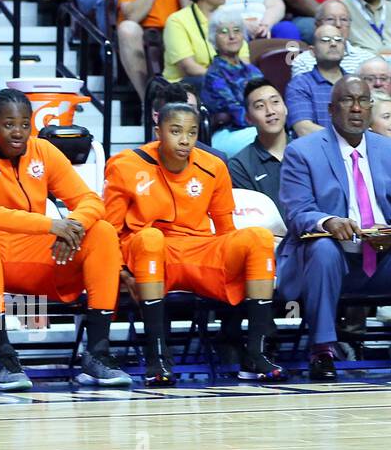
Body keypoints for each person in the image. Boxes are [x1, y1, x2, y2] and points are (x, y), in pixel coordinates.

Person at [0, 90, 130, 391]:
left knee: (102, 232)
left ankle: (97, 352)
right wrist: (49, 225)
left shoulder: (42, 150)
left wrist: (73, 225)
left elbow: (90, 201)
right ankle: (4, 356)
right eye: (8, 125)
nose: (18, 132)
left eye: (24, 124)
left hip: (27, 252)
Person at [278, 76, 391, 379]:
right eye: (347, 100)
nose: (356, 108)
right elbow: (297, 213)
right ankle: (322, 351)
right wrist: (329, 222)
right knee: (323, 249)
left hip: (383, 259)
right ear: (331, 109)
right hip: (332, 261)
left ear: (371, 108)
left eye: (363, 101)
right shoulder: (302, 151)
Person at [105, 102, 283, 386]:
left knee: (259, 238)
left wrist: (241, 263)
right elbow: (110, 230)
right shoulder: (126, 164)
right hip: (150, 252)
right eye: (175, 131)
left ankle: (256, 353)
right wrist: (121, 272)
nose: (184, 140)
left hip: (199, 249)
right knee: (151, 238)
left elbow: (225, 229)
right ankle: (157, 358)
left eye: (192, 132)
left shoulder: (213, 166)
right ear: (158, 132)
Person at [200, 7, 265, 155]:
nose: (232, 36)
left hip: (256, 127)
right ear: (213, 39)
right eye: (224, 32)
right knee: (268, 138)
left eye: (237, 30)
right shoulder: (214, 75)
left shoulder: (254, 72)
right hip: (226, 133)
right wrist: (266, 121)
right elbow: (235, 111)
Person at [228, 79, 292, 202]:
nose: (270, 111)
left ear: (285, 108)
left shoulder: (306, 152)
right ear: (248, 118)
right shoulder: (240, 165)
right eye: (260, 106)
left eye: (275, 102)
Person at [286, 23, 351, 135]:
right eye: (325, 40)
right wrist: (345, 139)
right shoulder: (300, 84)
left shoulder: (354, 83)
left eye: (338, 40)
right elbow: (303, 129)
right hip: (317, 146)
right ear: (312, 51)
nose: (333, 44)